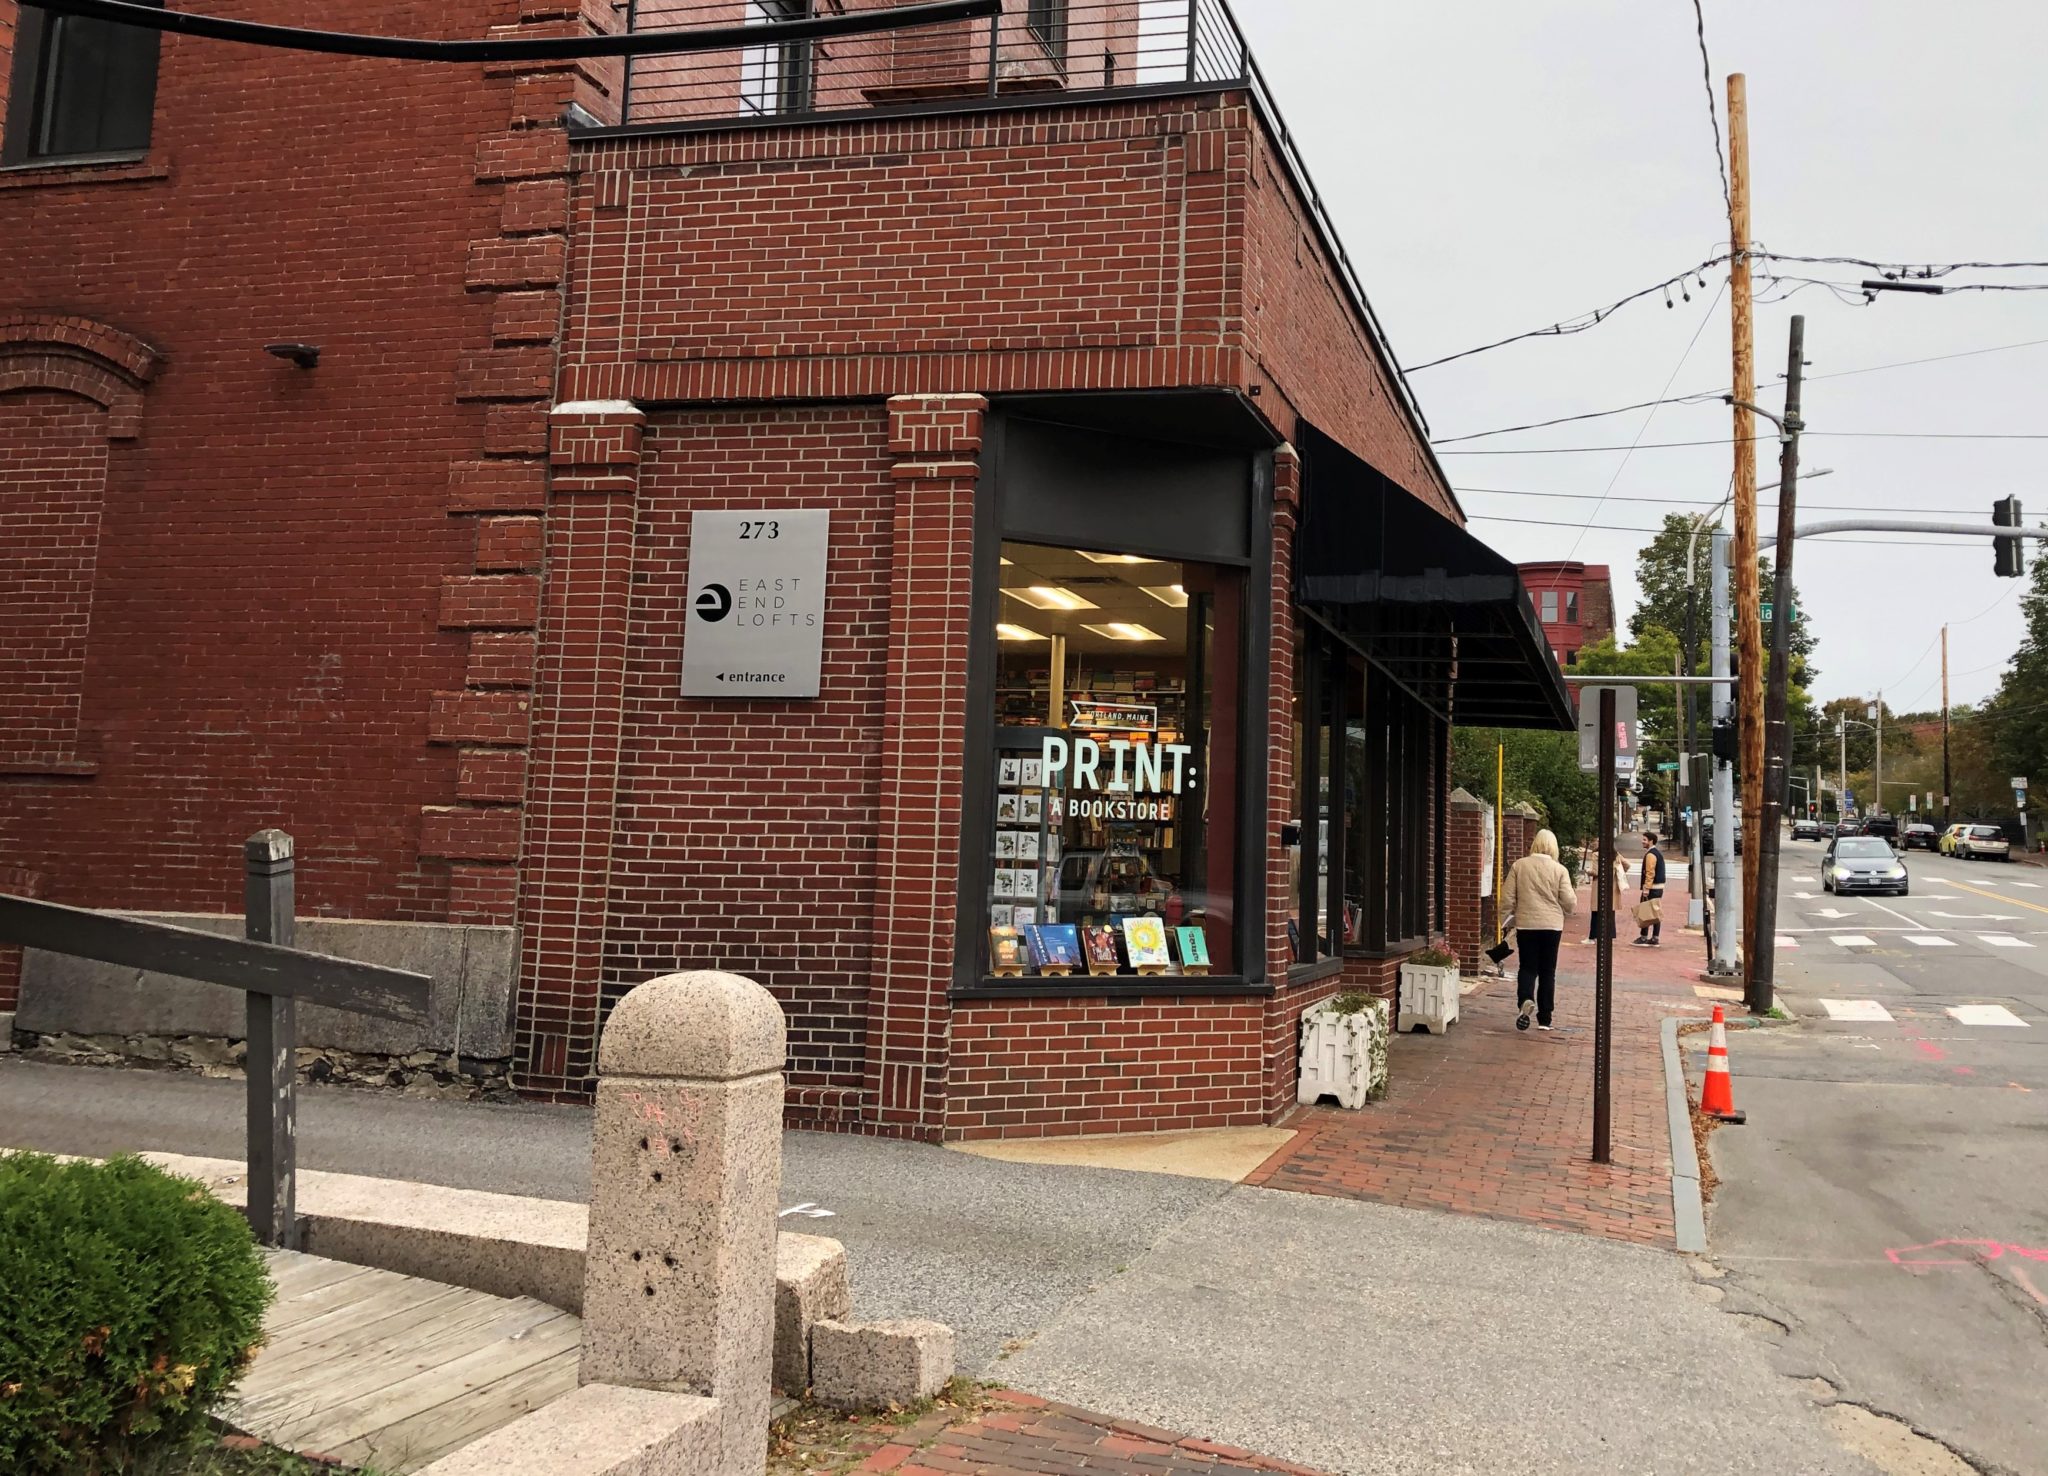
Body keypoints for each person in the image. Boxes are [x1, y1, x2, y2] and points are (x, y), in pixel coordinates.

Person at [1500, 828, 1577, 1031]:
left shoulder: (1519, 866)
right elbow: (1569, 902)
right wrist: (1567, 907)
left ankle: (1525, 999)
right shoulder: (1559, 870)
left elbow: (1507, 898)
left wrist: (1504, 921)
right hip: (1552, 925)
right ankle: (1545, 1018)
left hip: (1526, 924)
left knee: (1527, 967)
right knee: (1548, 971)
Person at [1580, 849, 1630, 944]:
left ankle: (1592, 936)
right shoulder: (1615, 854)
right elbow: (1627, 865)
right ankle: (1610, 935)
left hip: (1600, 885)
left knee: (1596, 911)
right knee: (1610, 911)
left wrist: (1588, 871)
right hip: (1612, 886)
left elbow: (1596, 872)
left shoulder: (1596, 855)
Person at [1634, 831, 1668, 946]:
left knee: (1646, 911)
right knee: (1655, 911)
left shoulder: (1650, 855)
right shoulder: (1657, 853)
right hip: (1658, 887)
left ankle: (1644, 937)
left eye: (1644, 840)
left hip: (1652, 888)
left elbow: (1650, 872)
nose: (1642, 842)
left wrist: (1646, 888)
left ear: (1651, 841)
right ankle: (1655, 937)